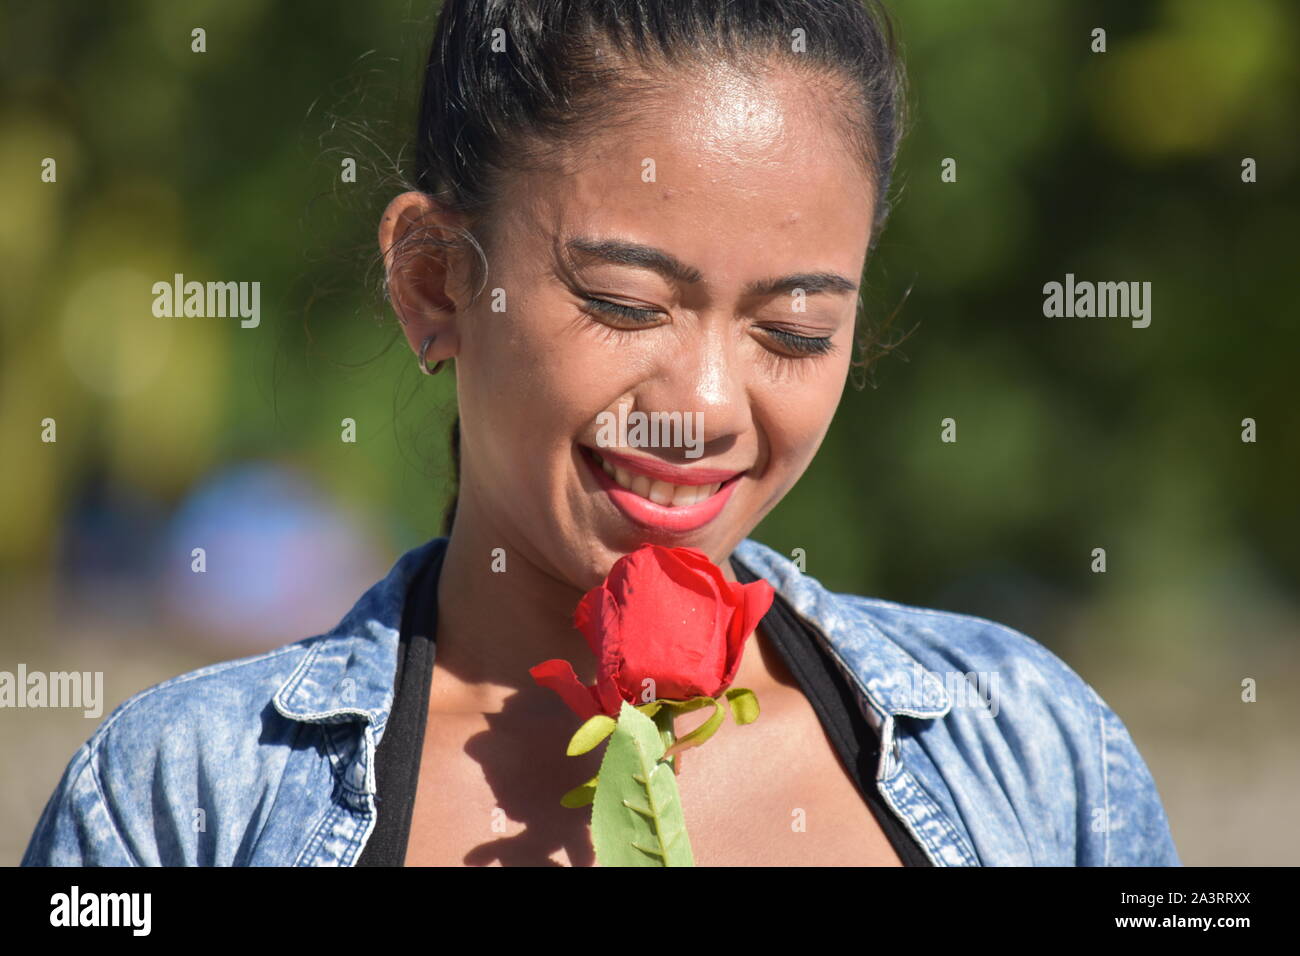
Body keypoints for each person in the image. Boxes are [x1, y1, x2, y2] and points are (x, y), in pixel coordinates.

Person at [22, 0, 1179, 867]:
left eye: (795, 325)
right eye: (624, 304)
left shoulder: (1028, 751)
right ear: (433, 281)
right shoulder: (183, 805)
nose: (709, 404)